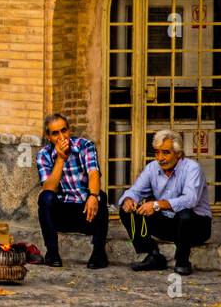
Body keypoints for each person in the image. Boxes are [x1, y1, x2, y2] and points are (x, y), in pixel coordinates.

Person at [118, 129, 211, 276]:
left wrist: (157, 204)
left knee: (184, 214)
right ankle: (153, 254)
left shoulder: (192, 168)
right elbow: (135, 190)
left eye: (166, 152)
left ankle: (182, 261)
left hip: (196, 227)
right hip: (169, 224)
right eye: (157, 152)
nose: (160, 158)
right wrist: (129, 200)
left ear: (179, 154)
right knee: (127, 209)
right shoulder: (152, 168)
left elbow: (190, 200)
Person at [37, 113, 109, 269]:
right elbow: (49, 187)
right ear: (48, 137)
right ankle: (52, 253)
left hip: (86, 211)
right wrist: (60, 159)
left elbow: (93, 174)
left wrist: (93, 195)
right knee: (45, 197)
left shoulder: (85, 146)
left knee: (101, 196)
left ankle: (99, 253)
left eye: (64, 131)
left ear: (69, 131)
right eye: (55, 133)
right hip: (62, 213)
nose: (61, 136)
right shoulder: (44, 155)